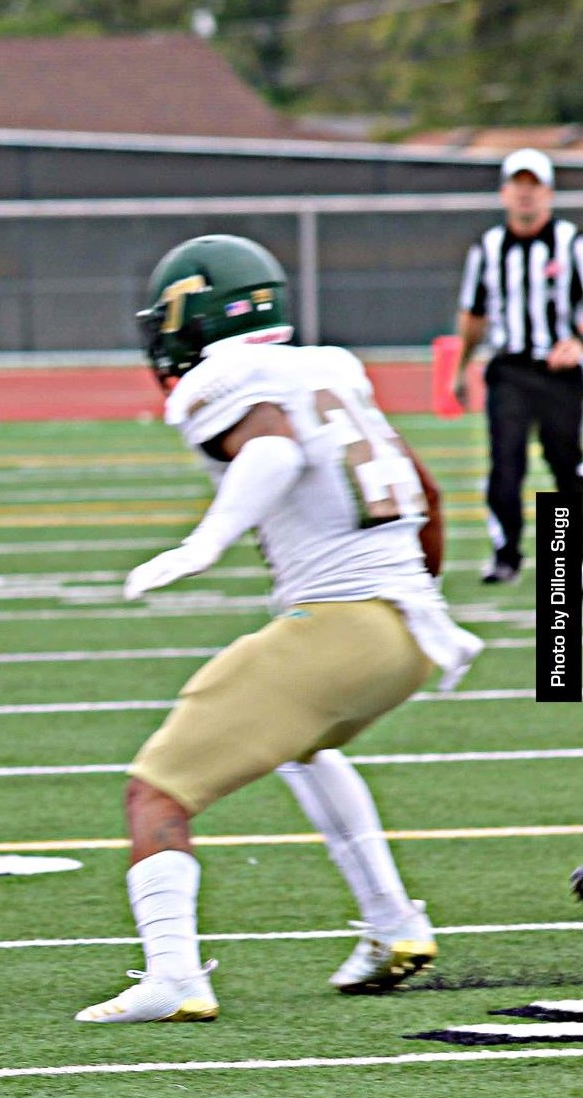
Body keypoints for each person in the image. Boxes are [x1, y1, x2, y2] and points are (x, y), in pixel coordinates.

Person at [77, 235, 485, 1023]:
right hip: (408, 631)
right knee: (304, 747)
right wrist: (407, 593)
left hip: (345, 622)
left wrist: (203, 544)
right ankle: (395, 922)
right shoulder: (329, 366)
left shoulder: (222, 378)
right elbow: (424, 489)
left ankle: (174, 975)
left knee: (156, 790)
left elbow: (270, 448)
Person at [450, 148, 583, 584]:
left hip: (560, 374)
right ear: (505, 192)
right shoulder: (488, 248)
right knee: (505, 463)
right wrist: (460, 367)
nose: (526, 196)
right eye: (518, 186)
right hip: (510, 371)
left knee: (567, 462)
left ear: (548, 192)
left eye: (534, 186)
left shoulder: (572, 244)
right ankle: (506, 551)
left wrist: (579, 343)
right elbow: (474, 314)